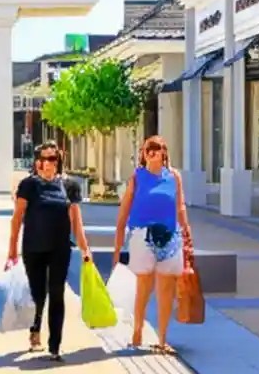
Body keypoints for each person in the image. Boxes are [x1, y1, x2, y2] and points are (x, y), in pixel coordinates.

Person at [7, 142, 92, 362]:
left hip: (59, 249)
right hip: (33, 248)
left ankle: (55, 345)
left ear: (58, 161)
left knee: (57, 294)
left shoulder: (69, 186)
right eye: (43, 159)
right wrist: (11, 251)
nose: (47, 164)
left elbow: (76, 220)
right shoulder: (28, 185)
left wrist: (85, 248)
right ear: (37, 162)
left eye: (52, 159)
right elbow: (17, 219)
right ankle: (35, 328)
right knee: (38, 294)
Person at [112, 136, 194, 356]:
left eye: (157, 148)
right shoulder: (136, 178)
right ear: (143, 152)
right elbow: (123, 213)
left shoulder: (174, 177)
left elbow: (180, 206)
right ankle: (137, 329)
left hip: (169, 236)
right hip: (142, 235)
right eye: (149, 148)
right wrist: (118, 244)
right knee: (144, 285)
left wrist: (186, 231)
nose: (152, 151)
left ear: (164, 153)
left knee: (166, 290)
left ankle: (163, 338)